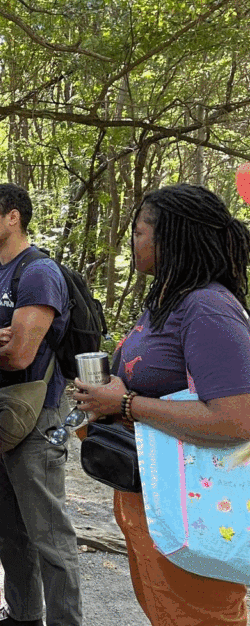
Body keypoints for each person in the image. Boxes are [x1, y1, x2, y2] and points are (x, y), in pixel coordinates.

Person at [74, 183, 250, 626]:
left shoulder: (207, 307)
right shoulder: (166, 301)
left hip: (198, 511)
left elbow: (237, 419)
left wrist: (128, 403)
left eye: (137, 232)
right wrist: (110, 397)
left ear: (170, 238)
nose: (130, 242)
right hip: (153, 500)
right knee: (163, 612)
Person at [0, 183, 81, 626]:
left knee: (50, 537)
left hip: (39, 419)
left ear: (12, 217)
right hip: (1, 417)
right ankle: (23, 617)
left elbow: (20, 355)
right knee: (9, 531)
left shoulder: (38, 273)